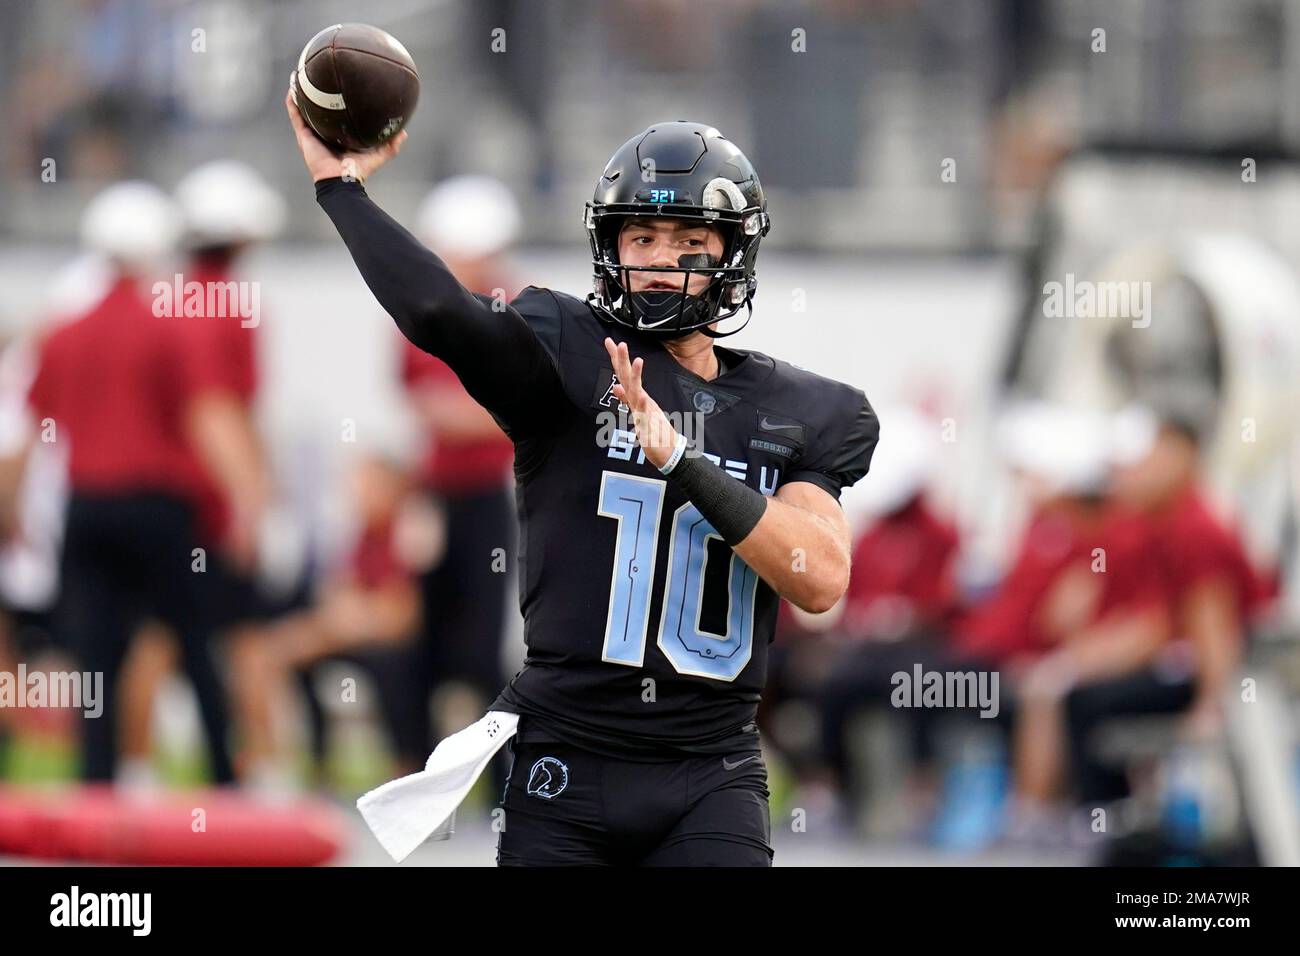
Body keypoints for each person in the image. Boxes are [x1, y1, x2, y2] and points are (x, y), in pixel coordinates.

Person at [286, 96, 879, 866]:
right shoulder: (570, 354)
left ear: (732, 251)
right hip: (565, 768)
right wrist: (341, 189)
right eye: (643, 235)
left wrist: (684, 463)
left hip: (710, 775)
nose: (663, 259)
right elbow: (440, 312)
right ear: (611, 246)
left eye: (689, 239)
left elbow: (820, 577)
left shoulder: (800, 409)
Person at [21, 182, 248, 784]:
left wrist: (13, 511)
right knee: (196, 644)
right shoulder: (170, 326)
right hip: (161, 509)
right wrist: (250, 502)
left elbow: (31, 428)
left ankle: (96, 782)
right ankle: (226, 780)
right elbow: (210, 418)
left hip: (87, 507)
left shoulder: (64, 331)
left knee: (95, 655)